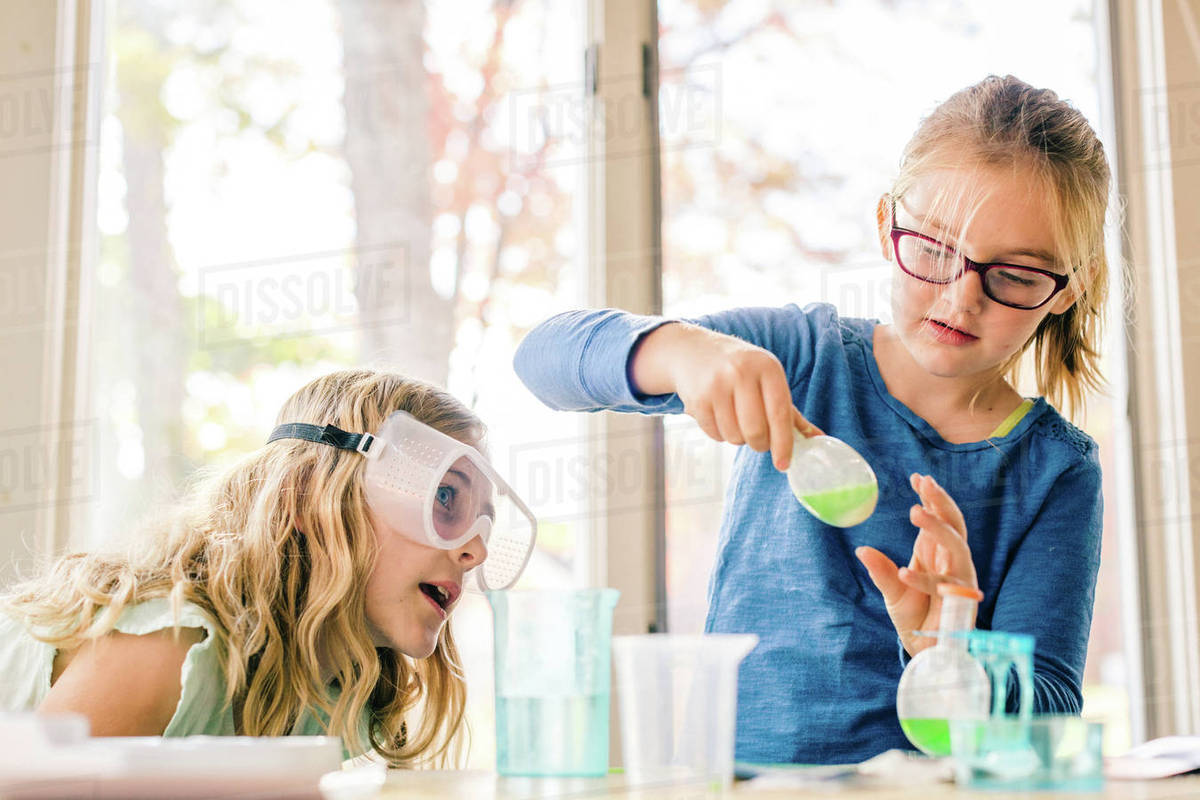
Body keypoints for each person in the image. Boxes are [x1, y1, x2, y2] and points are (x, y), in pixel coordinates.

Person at [514, 75, 1111, 764]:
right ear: (887, 221)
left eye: (1013, 274)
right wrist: (679, 350)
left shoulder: (1058, 470)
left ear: (1074, 284)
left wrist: (949, 655)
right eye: (933, 248)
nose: (960, 296)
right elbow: (543, 356)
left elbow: (1051, 709)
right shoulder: (801, 357)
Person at [0, 368, 536, 766]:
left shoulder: (347, 698)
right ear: (305, 496)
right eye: (445, 496)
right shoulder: (171, 643)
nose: (476, 551)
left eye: (484, 523)